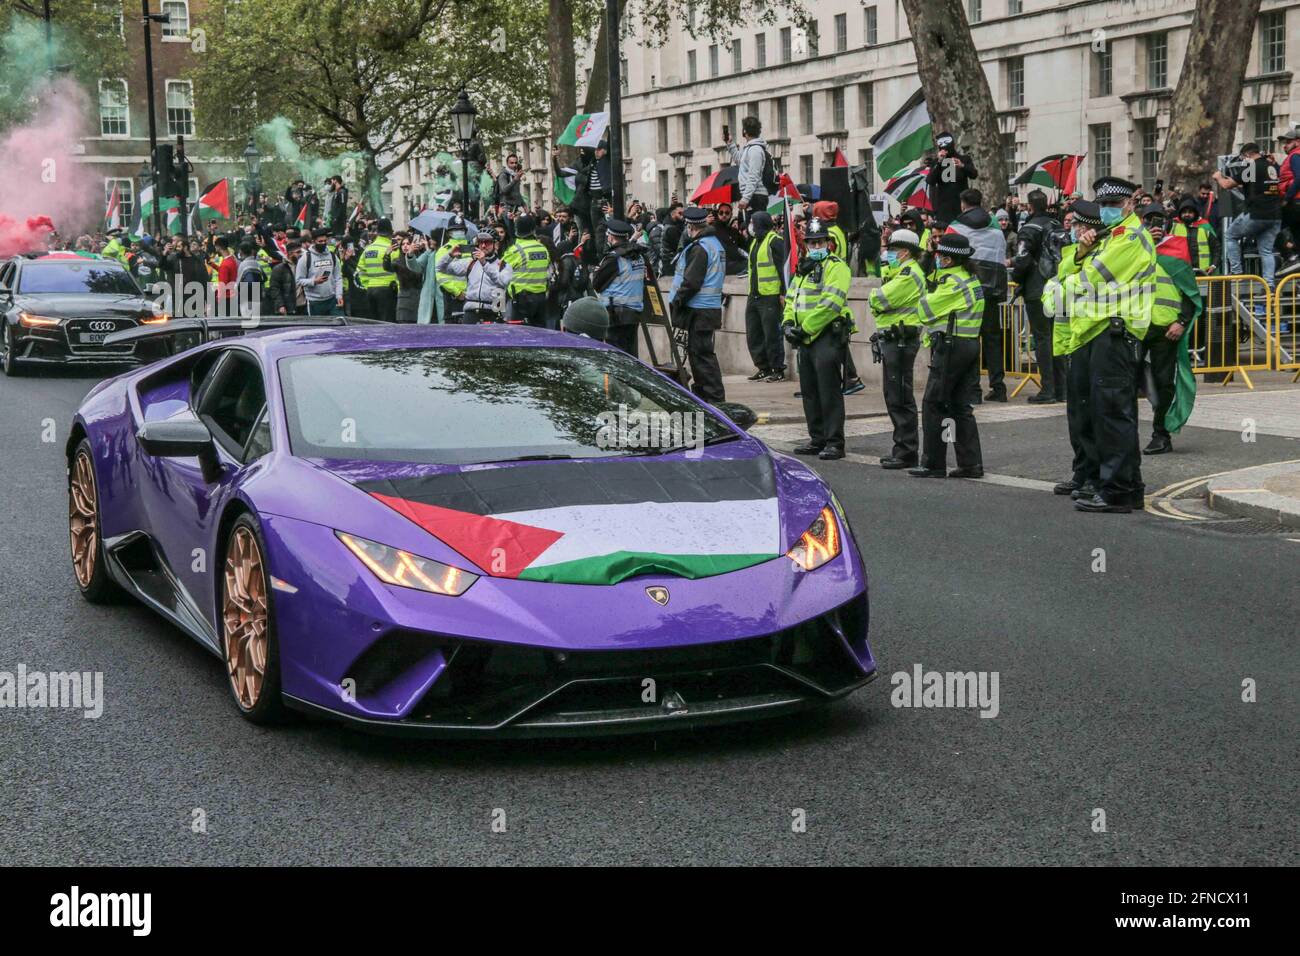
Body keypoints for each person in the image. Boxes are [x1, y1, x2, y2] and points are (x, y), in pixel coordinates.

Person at [1057, 177, 1155, 514]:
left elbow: (1087, 280)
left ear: (1131, 204)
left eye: (1115, 205)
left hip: (1116, 333)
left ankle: (1115, 491)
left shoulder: (1128, 238)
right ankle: (1125, 487)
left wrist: (1072, 273)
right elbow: (1071, 269)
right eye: (1105, 206)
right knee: (1107, 413)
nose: (1110, 211)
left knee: (1113, 414)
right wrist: (1080, 253)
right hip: (1098, 333)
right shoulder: (1110, 237)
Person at [908, 234, 986, 478]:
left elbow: (924, 309)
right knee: (961, 406)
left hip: (951, 347)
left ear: (950, 259)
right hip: (968, 345)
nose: (938, 259)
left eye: (941, 256)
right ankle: (970, 463)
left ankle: (933, 463)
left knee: (934, 404)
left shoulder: (954, 284)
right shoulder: (969, 278)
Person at [1045, 200, 1106, 500]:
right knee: (1076, 415)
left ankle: (1094, 476)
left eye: (1078, 225)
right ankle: (1081, 472)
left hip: (1090, 337)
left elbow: (1075, 288)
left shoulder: (1099, 255)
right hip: (1071, 339)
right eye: (1071, 224)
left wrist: (1061, 291)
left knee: (1091, 414)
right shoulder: (1071, 253)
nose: (1072, 230)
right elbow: (1055, 291)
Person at [782, 218, 851, 460]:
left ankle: (834, 442)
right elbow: (791, 299)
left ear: (828, 243)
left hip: (826, 336)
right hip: (806, 338)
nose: (816, 246)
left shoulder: (837, 267)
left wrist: (805, 329)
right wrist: (788, 323)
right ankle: (817, 438)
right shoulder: (804, 268)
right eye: (812, 242)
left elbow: (831, 305)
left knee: (829, 390)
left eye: (820, 241)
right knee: (810, 390)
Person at [1137, 203, 1199, 455]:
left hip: (1166, 328)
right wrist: (1146, 243)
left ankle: (1161, 435)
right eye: (1149, 220)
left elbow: (1190, 292)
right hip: (1136, 326)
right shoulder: (1136, 248)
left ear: (1168, 223)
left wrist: (1182, 321)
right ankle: (1121, 436)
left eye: (1159, 220)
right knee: (1125, 381)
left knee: (1164, 383)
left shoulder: (1177, 249)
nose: (1154, 225)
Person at [867, 228, 926, 469]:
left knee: (900, 396)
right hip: (894, 339)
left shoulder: (911, 274)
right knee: (893, 395)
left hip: (901, 340)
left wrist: (875, 298)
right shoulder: (902, 271)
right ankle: (901, 447)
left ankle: (906, 451)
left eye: (891, 250)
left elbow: (879, 299)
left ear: (904, 252)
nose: (888, 254)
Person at [947, 188, 1010, 402]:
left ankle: (974, 390)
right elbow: (1001, 256)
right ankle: (999, 387)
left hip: (969, 290)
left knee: (970, 338)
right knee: (993, 340)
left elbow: (947, 256)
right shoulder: (996, 226)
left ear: (963, 204)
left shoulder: (956, 227)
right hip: (992, 289)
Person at [1011, 189, 1067, 403]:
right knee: (1058, 338)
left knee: (1043, 339)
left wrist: (1017, 278)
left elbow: (1022, 258)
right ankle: (1062, 389)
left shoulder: (1029, 229)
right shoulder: (1058, 226)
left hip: (1038, 288)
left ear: (1031, 206)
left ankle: (1048, 389)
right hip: (1059, 285)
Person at [665, 206, 726, 403]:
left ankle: (712, 397)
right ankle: (706, 394)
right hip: (707, 308)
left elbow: (691, 282)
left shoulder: (700, 248)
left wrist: (677, 301)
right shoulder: (714, 244)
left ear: (691, 227)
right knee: (700, 354)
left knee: (701, 356)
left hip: (698, 309)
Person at [1213, 142, 1282, 287]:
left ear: (1248, 155)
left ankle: (1237, 274)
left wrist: (1219, 177)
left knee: (1230, 235)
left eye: (1243, 158)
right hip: (1275, 216)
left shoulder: (1251, 166)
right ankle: (1269, 285)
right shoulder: (1272, 166)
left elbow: (1226, 185)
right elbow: (1251, 183)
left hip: (1256, 214)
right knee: (1266, 251)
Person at [744, 211, 788, 383]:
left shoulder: (774, 241)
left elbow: (782, 269)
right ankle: (763, 367)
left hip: (770, 295)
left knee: (772, 334)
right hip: (754, 294)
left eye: (753, 223)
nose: (750, 226)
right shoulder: (755, 242)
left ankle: (777, 369)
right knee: (753, 333)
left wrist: (783, 293)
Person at [590, 219, 646, 355]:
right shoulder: (638, 255)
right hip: (633, 313)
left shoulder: (613, 258)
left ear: (610, 237)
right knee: (631, 355)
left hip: (616, 314)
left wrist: (596, 272)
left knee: (616, 356)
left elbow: (596, 284)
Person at [440, 231, 513, 323]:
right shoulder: (471, 263)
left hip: (493, 313)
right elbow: (441, 268)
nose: (483, 246)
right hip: (470, 313)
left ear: (496, 244)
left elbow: (503, 282)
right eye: (480, 242)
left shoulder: (503, 265)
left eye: (487, 242)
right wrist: (449, 255)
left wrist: (484, 264)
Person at [501, 214, 551, 326]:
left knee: (519, 337)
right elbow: (548, 273)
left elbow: (502, 278)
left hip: (521, 301)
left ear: (516, 230)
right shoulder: (542, 249)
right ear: (533, 229)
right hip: (541, 299)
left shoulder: (514, 250)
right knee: (540, 335)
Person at [924, 132, 979, 225]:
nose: (944, 147)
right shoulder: (936, 162)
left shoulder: (964, 159)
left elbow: (974, 174)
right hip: (944, 210)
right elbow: (930, 180)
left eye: (946, 143)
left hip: (961, 207)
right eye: (941, 144)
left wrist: (962, 166)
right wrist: (939, 162)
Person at [724, 115, 773, 217]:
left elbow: (753, 176)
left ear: (745, 131)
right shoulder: (749, 148)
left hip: (756, 196)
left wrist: (745, 198)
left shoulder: (755, 150)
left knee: (754, 230)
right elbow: (739, 160)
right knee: (750, 229)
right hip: (752, 195)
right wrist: (730, 144)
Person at [356, 219, 398, 321]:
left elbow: (360, 270)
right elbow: (398, 271)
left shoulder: (368, 249)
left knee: (375, 322)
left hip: (371, 290)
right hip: (388, 290)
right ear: (391, 232)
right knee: (388, 323)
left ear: (377, 232)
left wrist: (367, 284)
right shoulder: (392, 249)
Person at [296, 228, 344, 316]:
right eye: (320, 241)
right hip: (314, 302)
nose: (323, 243)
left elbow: (338, 278)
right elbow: (299, 280)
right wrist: (314, 281)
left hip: (332, 301)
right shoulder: (305, 258)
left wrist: (339, 295)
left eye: (325, 241)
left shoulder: (333, 256)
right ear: (313, 241)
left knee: (340, 327)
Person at [432, 217, 470, 322]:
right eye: (455, 230)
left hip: (471, 296)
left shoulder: (472, 249)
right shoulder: (444, 250)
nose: (459, 232)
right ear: (449, 233)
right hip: (452, 296)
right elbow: (440, 276)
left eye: (461, 230)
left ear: (465, 231)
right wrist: (457, 292)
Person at [384, 233, 426, 324]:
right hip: (404, 302)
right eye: (403, 244)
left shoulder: (420, 259)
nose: (405, 246)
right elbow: (387, 267)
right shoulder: (397, 261)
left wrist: (424, 248)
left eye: (408, 243)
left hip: (419, 300)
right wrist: (387, 255)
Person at [1170, 197, 1215, 275]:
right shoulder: (1173, 226)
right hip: (1180, 272)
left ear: (1195, 213)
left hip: (1203, 273)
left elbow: (1216, 249)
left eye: (1190, 212)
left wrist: (1213, 265)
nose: (1187, 214)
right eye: (1184, 212)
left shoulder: (1205, 226)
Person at [268, 241, 302, 315]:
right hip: (289, 307)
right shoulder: (279, 269)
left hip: (304, 305)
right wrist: (280, 305)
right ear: (290, 254)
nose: (301, 254)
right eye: (298, 252)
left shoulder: (304, 265)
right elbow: (274, 288)